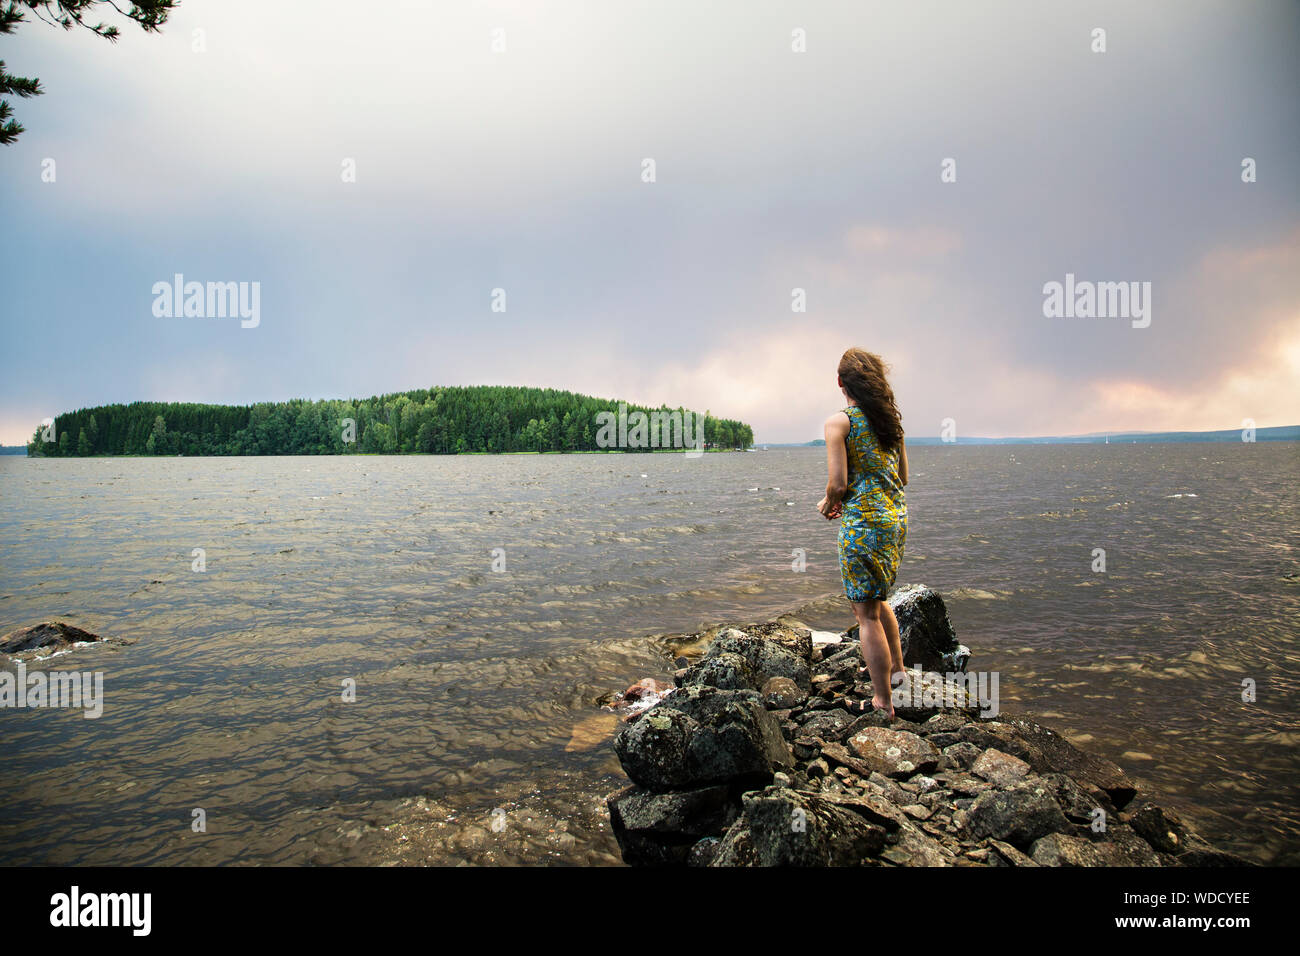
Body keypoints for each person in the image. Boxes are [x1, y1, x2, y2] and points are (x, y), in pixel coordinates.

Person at [817, 348, 909, 718]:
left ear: (840, 383)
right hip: (895, 520)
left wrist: (827, 504)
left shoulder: (839, 423)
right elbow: (902, 479)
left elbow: (837, 484)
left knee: (864, 613)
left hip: (863, 525)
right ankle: (899, 672)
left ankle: (882, 701)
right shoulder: (891, 425)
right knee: (878, 597)